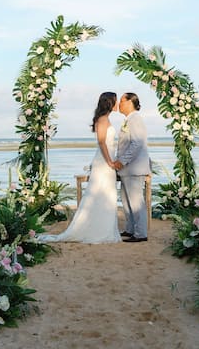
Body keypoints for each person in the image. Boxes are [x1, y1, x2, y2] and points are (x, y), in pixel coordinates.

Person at [41, 92, 121, 243]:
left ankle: (102, 228)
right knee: (102, 193)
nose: (117, 104)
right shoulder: (103, 119)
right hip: (103, 162)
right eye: (116, 101)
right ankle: (98, 230)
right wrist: (110, 162)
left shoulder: (105, 118)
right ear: (110, 102)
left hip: (106, 159)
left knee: (106, 194)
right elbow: (102, 142)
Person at [113, 92, 150, 242]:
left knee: (136, 202)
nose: (119, 104)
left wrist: (122, 161)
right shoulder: (128, 120)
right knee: (126, 201)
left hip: (134, 168)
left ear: (130, 102)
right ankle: (130, 229)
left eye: (122, 101)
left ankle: (140, 233)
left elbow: (137, 143)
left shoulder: (135, 119)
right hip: (126, 170)